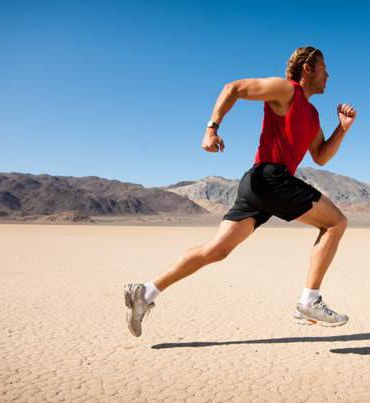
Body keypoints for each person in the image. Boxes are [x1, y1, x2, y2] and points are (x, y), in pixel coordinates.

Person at [124, 46, 357, 336]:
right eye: (324, 68)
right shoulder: (286, 90)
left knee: (216, 250)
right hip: (271, 177)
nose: (328, 75)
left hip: (257, 185)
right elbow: (233, 88)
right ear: (307, 69)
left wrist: (342, 129)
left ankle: (145, 293)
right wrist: (212, 128)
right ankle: (309, 300)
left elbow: (320, 156)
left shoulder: (311, 114)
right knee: (336, 222)